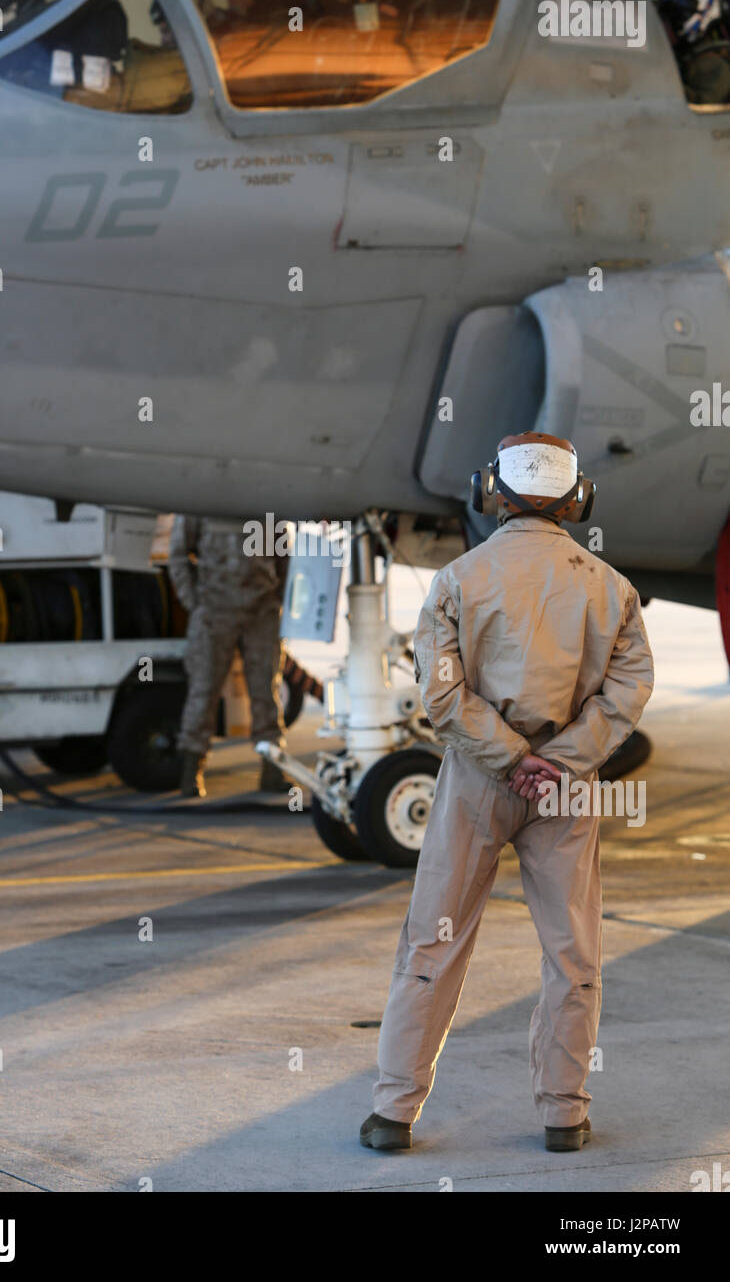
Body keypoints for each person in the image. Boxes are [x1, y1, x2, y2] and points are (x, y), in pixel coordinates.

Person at [361, 432, 654, 1154]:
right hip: (567, 789)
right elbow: (630, 686)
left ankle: (394, 1114)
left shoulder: (459, 578)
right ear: (576, 498)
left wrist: (509, 756)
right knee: (572, 952)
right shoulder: (609, 587)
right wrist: (560, 761)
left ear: (491, 493)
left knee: (434, 938)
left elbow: (441, 692)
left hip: (475, 784)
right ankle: (564, 1114)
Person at [169, 515, 290, 798]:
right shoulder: (200, 499)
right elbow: (178, 554)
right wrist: (196, 604)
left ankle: (272, 767)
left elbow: (283, 555)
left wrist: (278, 601)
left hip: (261, 609)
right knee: (203, 691)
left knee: (265, 691)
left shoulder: (265, 493)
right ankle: (191, 769)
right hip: (214, 610)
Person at [656, 0, 730, 105]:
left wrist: (657, 82)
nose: (662, 27)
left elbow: (703, 112)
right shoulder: (678, 55)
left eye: (668, 21)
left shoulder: (712, 64)